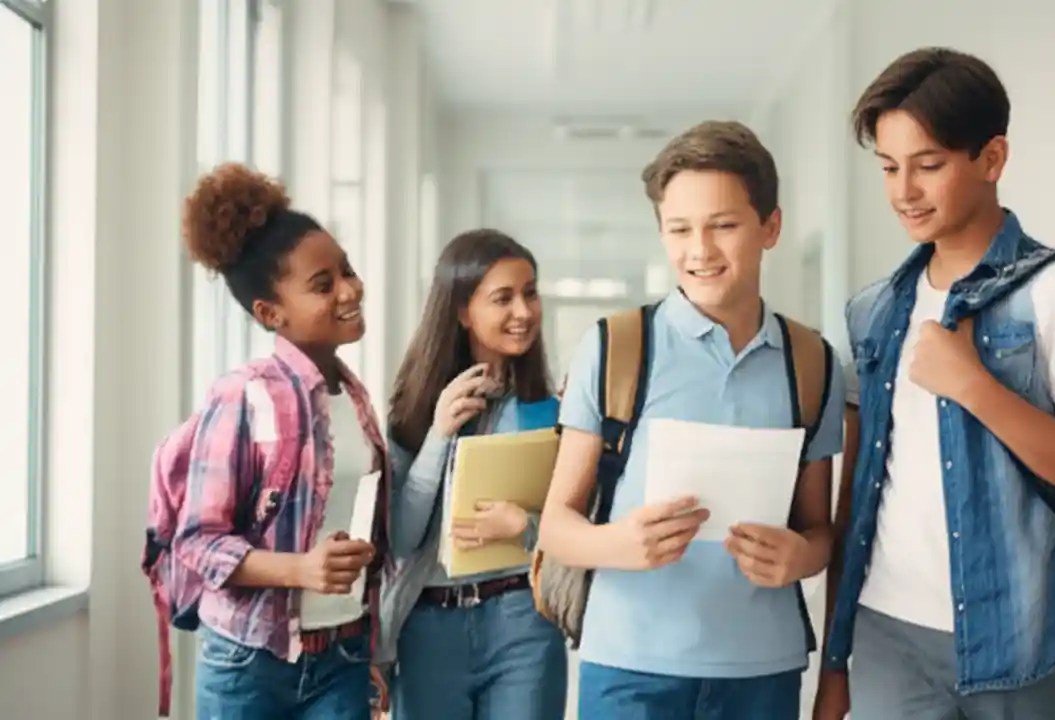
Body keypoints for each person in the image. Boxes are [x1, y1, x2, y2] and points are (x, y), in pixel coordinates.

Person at [815, 47, 1055, 720]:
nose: (903, 191)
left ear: (992, 159)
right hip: (886, 633)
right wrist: (836, 659)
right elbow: (859, 493)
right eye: (889, 167)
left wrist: (975, 388)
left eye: (928, 165)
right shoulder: (874, 311)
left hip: (1023, 641)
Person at [539, 120, 845, 719]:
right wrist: (618, 543)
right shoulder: (615, 347)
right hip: (630, 667)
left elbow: (819, 529)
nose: (699, 251)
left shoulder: (812, 362)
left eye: (723, 226)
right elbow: (554, 525)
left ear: (770, 228)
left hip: (762, 669)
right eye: (679, 229)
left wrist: (800, 558)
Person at [173, 162, 391, 719]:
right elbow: (197, 542)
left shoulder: (355, 396)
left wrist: (368, 647)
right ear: (271, 313)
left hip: (340, 655)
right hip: (250, 665)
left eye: (347, 270)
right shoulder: (242, 396)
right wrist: (300, 569)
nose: (350, 290)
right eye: (324, 285)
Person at [381, 229, 567, 720]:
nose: (523, 312)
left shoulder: (552, 410)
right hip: (429, 625)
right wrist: (440, 434)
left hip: (523, 618)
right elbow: (400, 538)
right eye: (503, 298)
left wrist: (523, 526)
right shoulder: (412, 411)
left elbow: (577, 526)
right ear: (463, 311)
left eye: (530, 293)